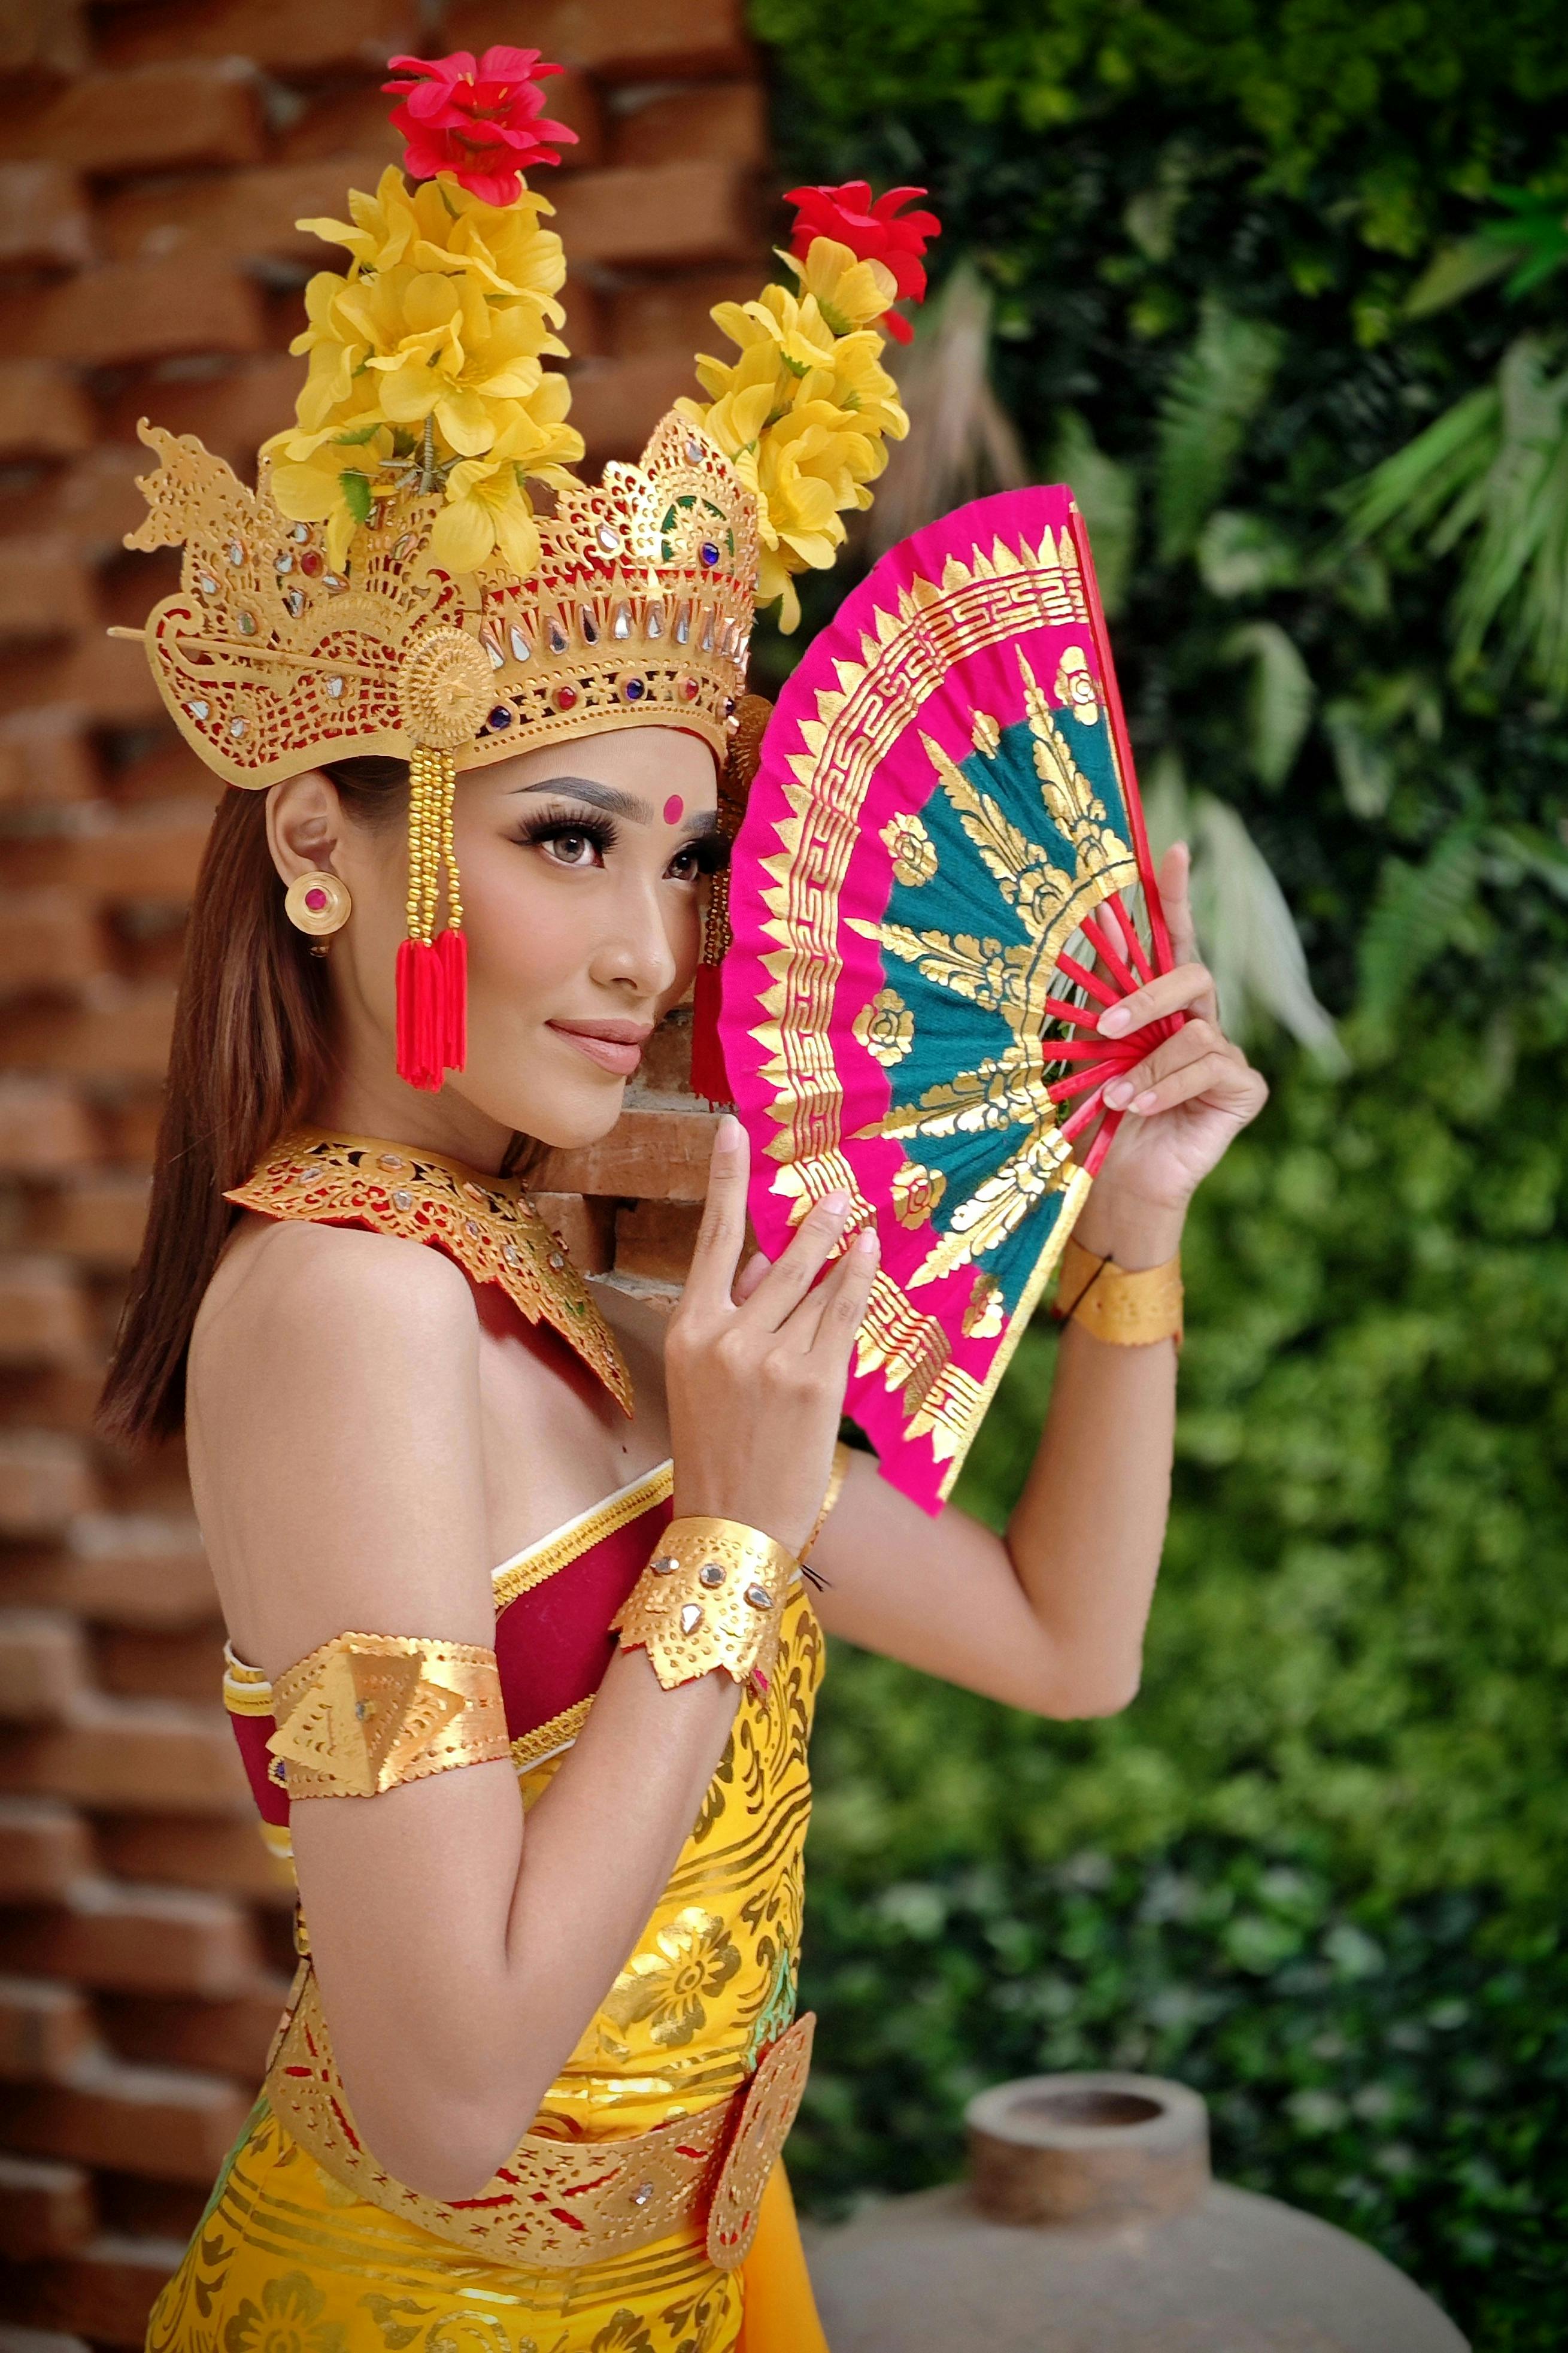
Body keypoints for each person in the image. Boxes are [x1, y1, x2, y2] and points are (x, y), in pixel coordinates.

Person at [99, 48, 1267, 2353]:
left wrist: (1129, 1238)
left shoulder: (577, 1267)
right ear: (329, 856)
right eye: (560, 841)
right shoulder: (338, 1307)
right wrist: (729, 1534)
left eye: (676, 848)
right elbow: (446, 2100)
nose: (652, 949)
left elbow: (1066, 1645)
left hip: (704, 2284)